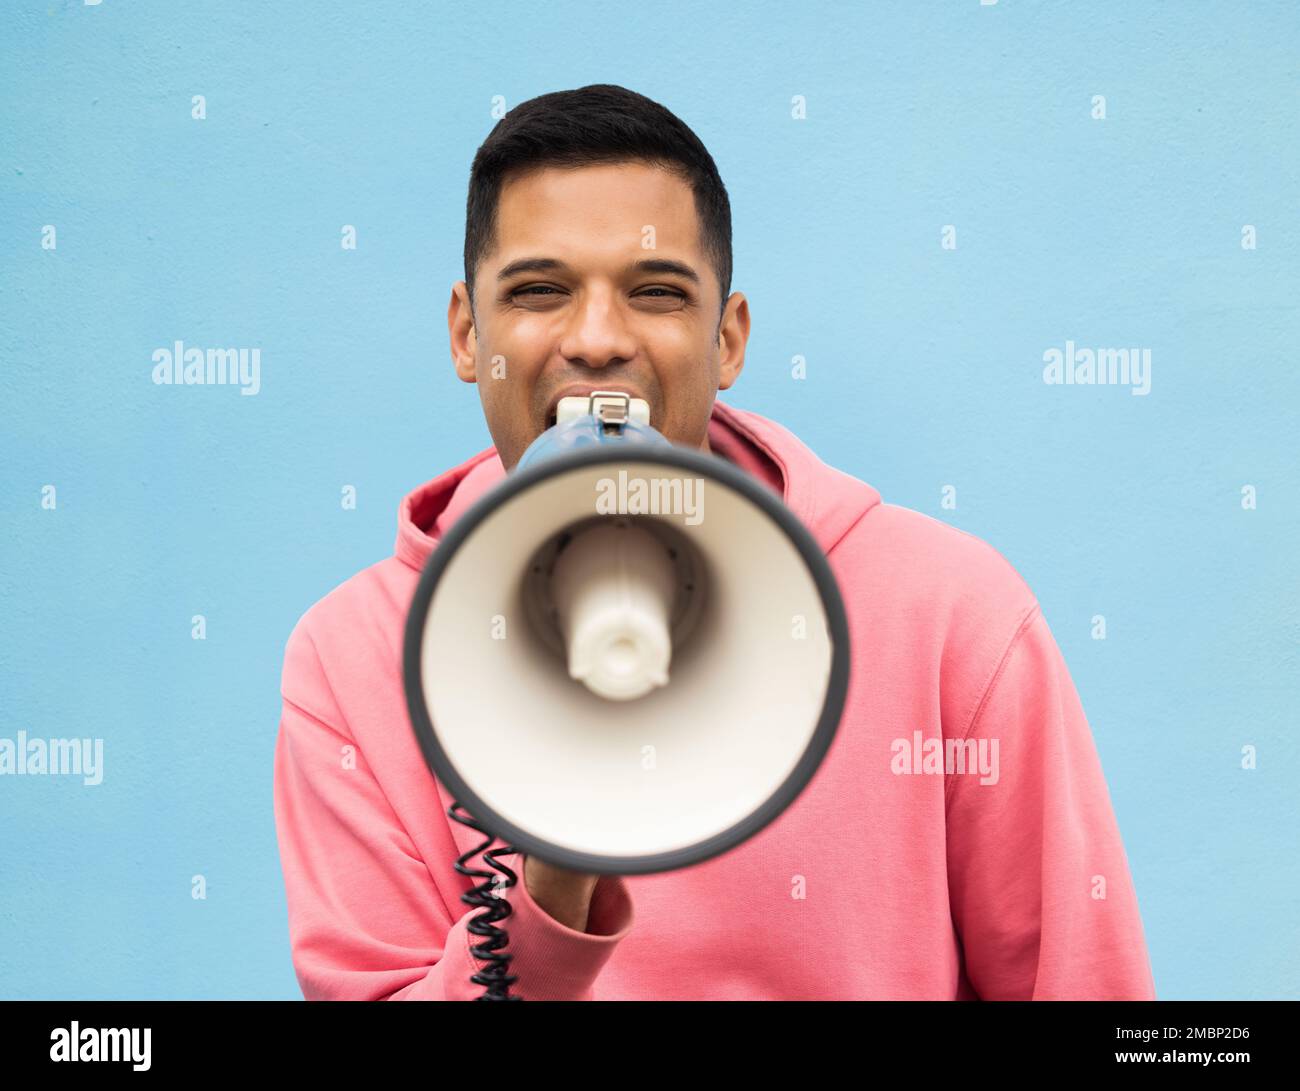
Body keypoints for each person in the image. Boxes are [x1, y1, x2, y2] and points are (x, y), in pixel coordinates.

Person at [272, 84, 1156, 1001]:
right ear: (468, 333)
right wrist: (549, 877)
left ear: (727, 338)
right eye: (540, 291)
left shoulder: (949, 614)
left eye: (656, 293)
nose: (598, 339)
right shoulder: (349, 660)